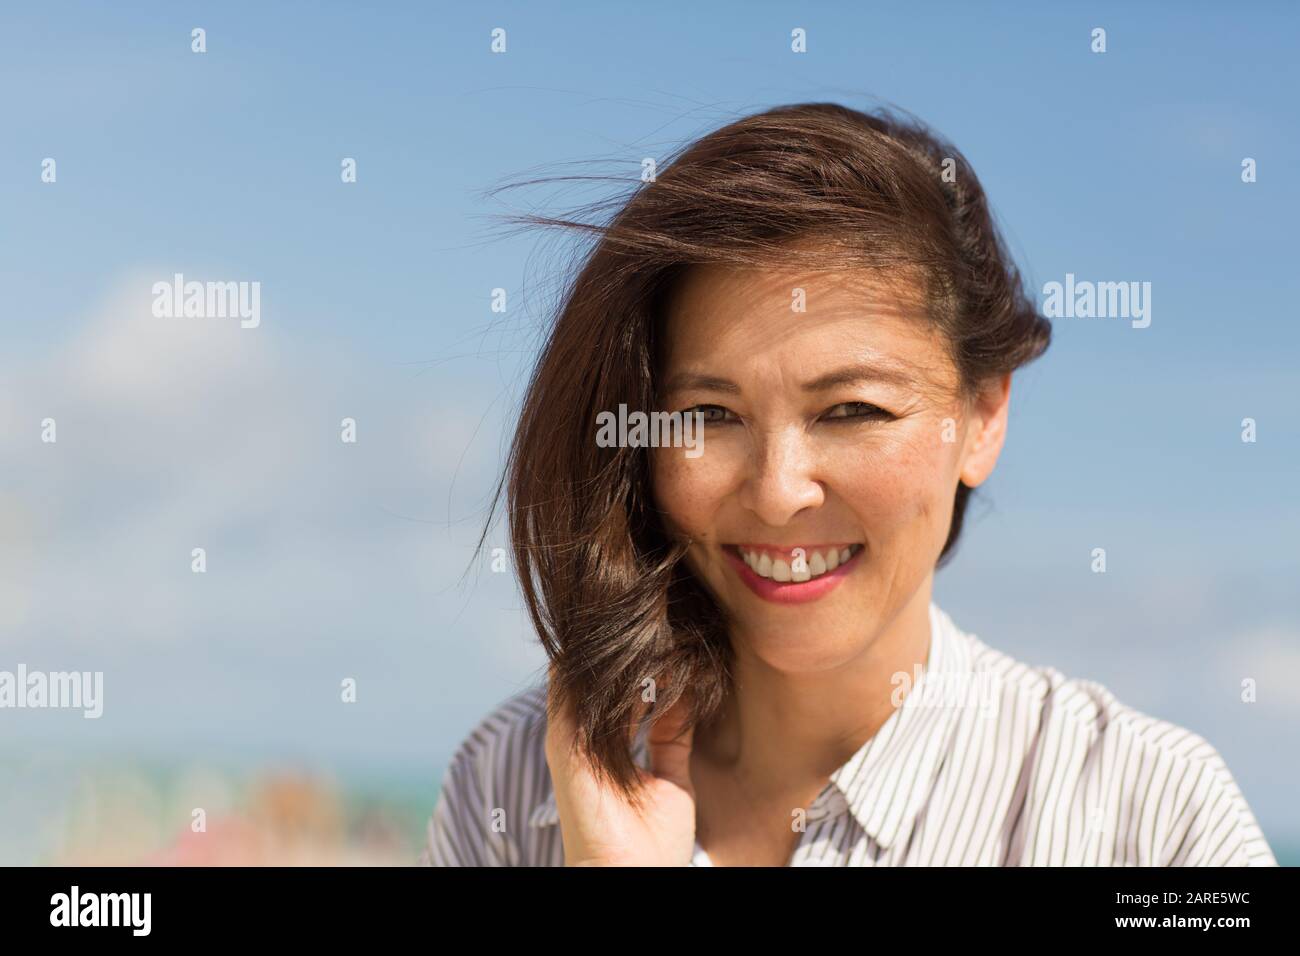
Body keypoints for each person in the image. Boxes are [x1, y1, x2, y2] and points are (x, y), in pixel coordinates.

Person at [421, 103, 1277, 867]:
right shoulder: (509, 785)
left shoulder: (1157, 826)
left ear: (982, 416)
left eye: (853, 410)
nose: (779, 491)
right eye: (711, 415)